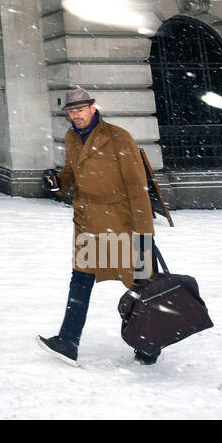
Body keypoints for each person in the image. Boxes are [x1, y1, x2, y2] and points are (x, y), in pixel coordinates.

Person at [37, 87, 157, 366]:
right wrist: (58, 182)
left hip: (122, 221)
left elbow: (137, 186)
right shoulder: (71, 137)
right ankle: (68, 341)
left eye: (80, 110)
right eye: (71, 111)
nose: (75, 115)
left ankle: (149, 344)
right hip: (87, 221)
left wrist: (144, 234)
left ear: (92, 108)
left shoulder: (117, 137)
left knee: (140, 284)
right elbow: (72, 174)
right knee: (80, 280)